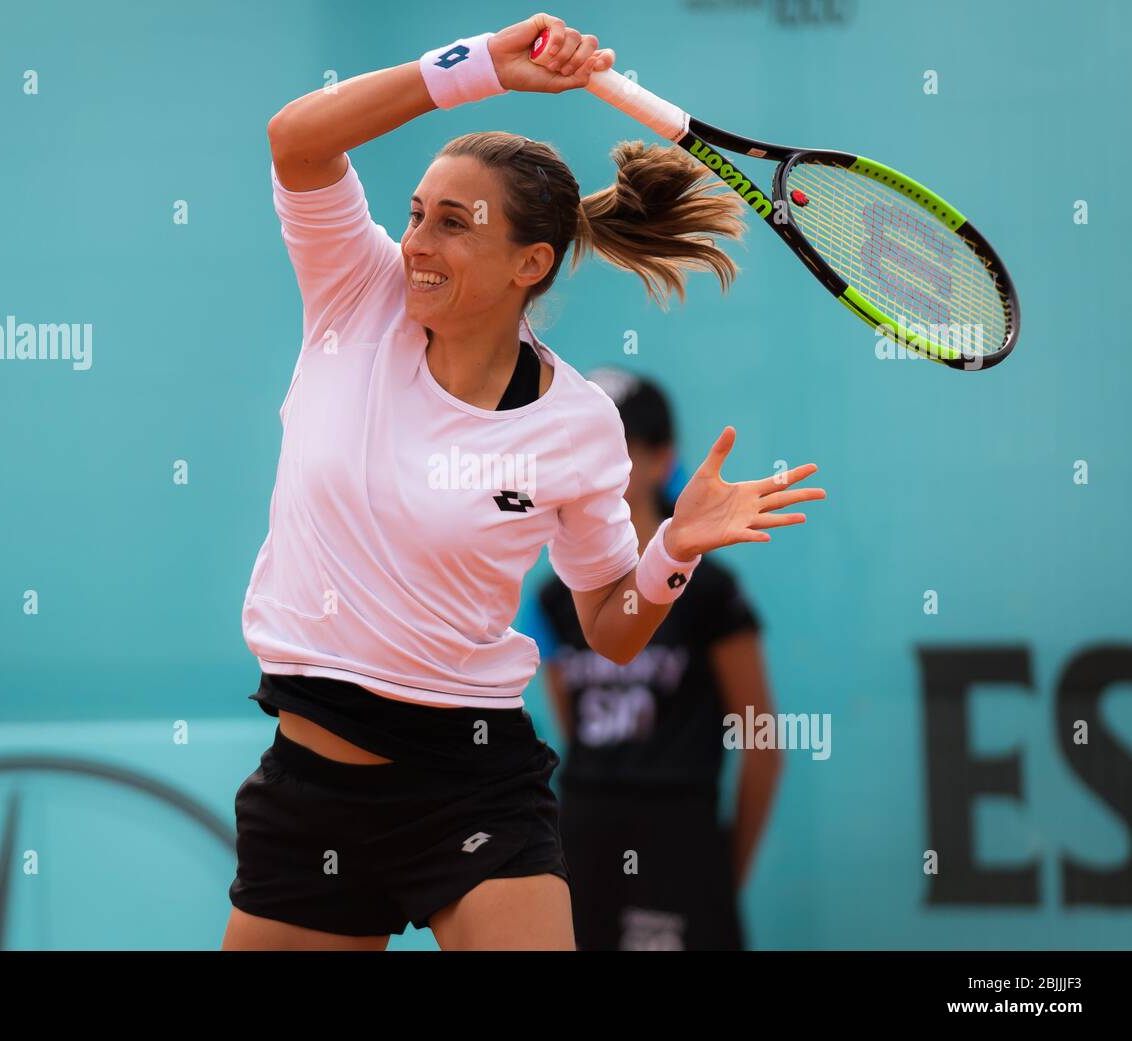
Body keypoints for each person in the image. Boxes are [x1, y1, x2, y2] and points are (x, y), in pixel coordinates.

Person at [222, 11, 826, 951]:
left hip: (474, 787)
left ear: (530, 265)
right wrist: (477, 70)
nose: (417, 240)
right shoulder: (353, 288)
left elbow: (611, 629)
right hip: (313, 791)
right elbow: (295, 139)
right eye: (418, 212)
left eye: (455, 224)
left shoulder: (578, 424)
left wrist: (673, 548)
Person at [530, 369, 782, 950]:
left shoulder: (712, 589)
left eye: (619, 451)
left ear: (661, 459)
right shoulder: (555, 595)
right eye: (584, 451)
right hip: (584, 837)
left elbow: (761, 743)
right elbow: (573, 729)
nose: (598, 472)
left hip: (681, 839)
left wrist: (717, 874)